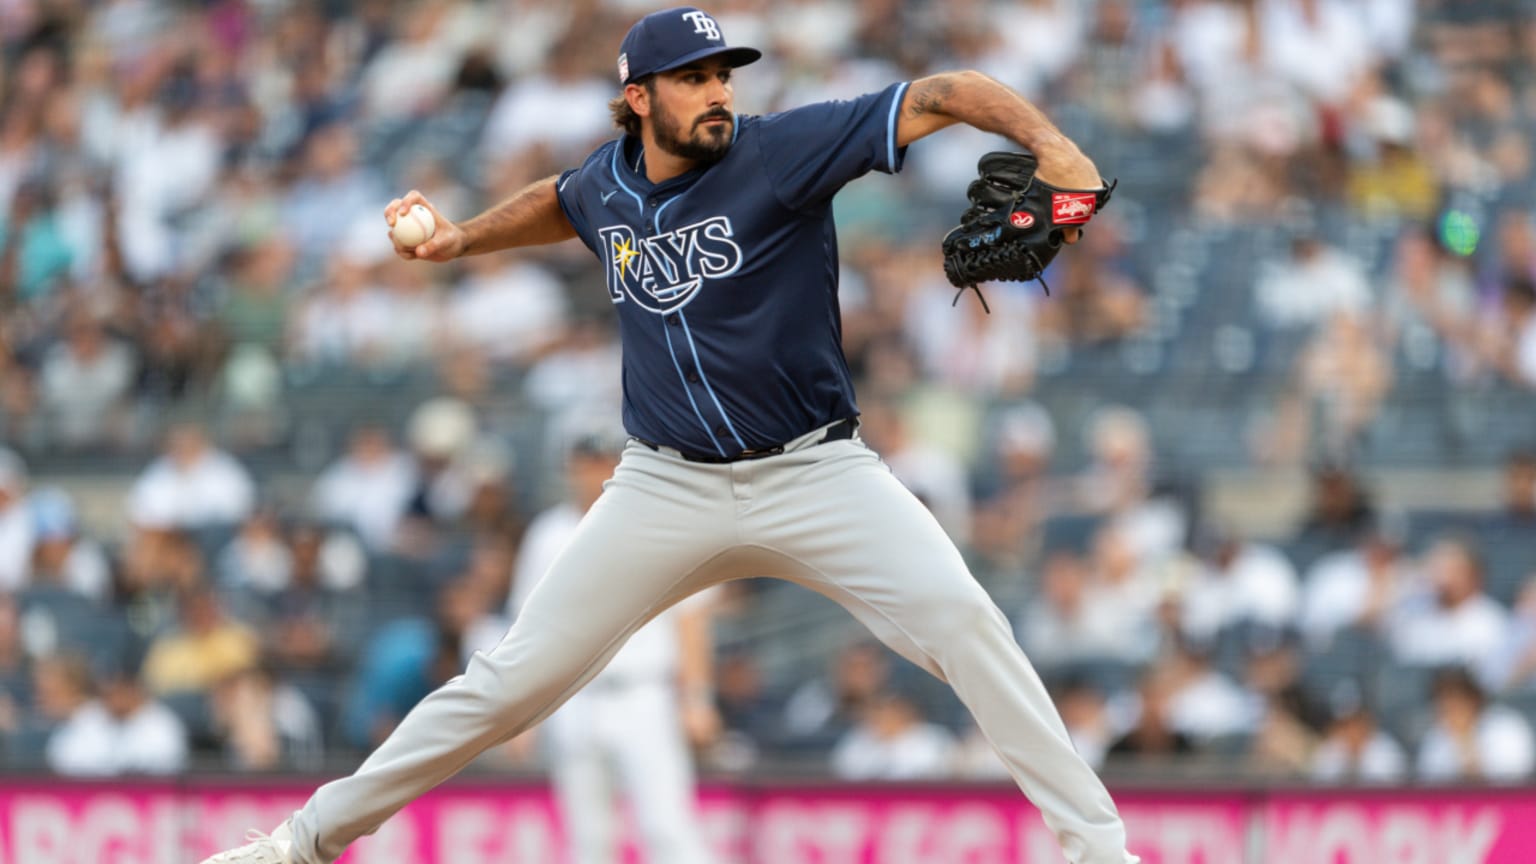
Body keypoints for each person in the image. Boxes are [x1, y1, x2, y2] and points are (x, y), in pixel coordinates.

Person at [203, 8, 1134, 863]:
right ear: (637, 98)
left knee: (969, 625)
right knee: (507, 683)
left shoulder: (782, 153)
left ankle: (1099, 851)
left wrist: (1051, 144)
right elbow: (562, 201)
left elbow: (943, 92)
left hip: (816, 472)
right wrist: (460, 241)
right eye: (694, 77)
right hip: (665, 489)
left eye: (724, 73)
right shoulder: (608, 183)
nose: (719, 90)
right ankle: (301, 843)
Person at [501, 430, 718, 864]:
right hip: (573, 699)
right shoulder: (548, 534)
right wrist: (521, 714)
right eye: (586, 462)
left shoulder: (658, 522)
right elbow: (526, 629)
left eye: (603, 460)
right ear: (570, 468)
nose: (595, 471)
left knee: (667, 828)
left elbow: (690, 618)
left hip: (643, 694)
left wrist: (696, 698)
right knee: (588, 839)